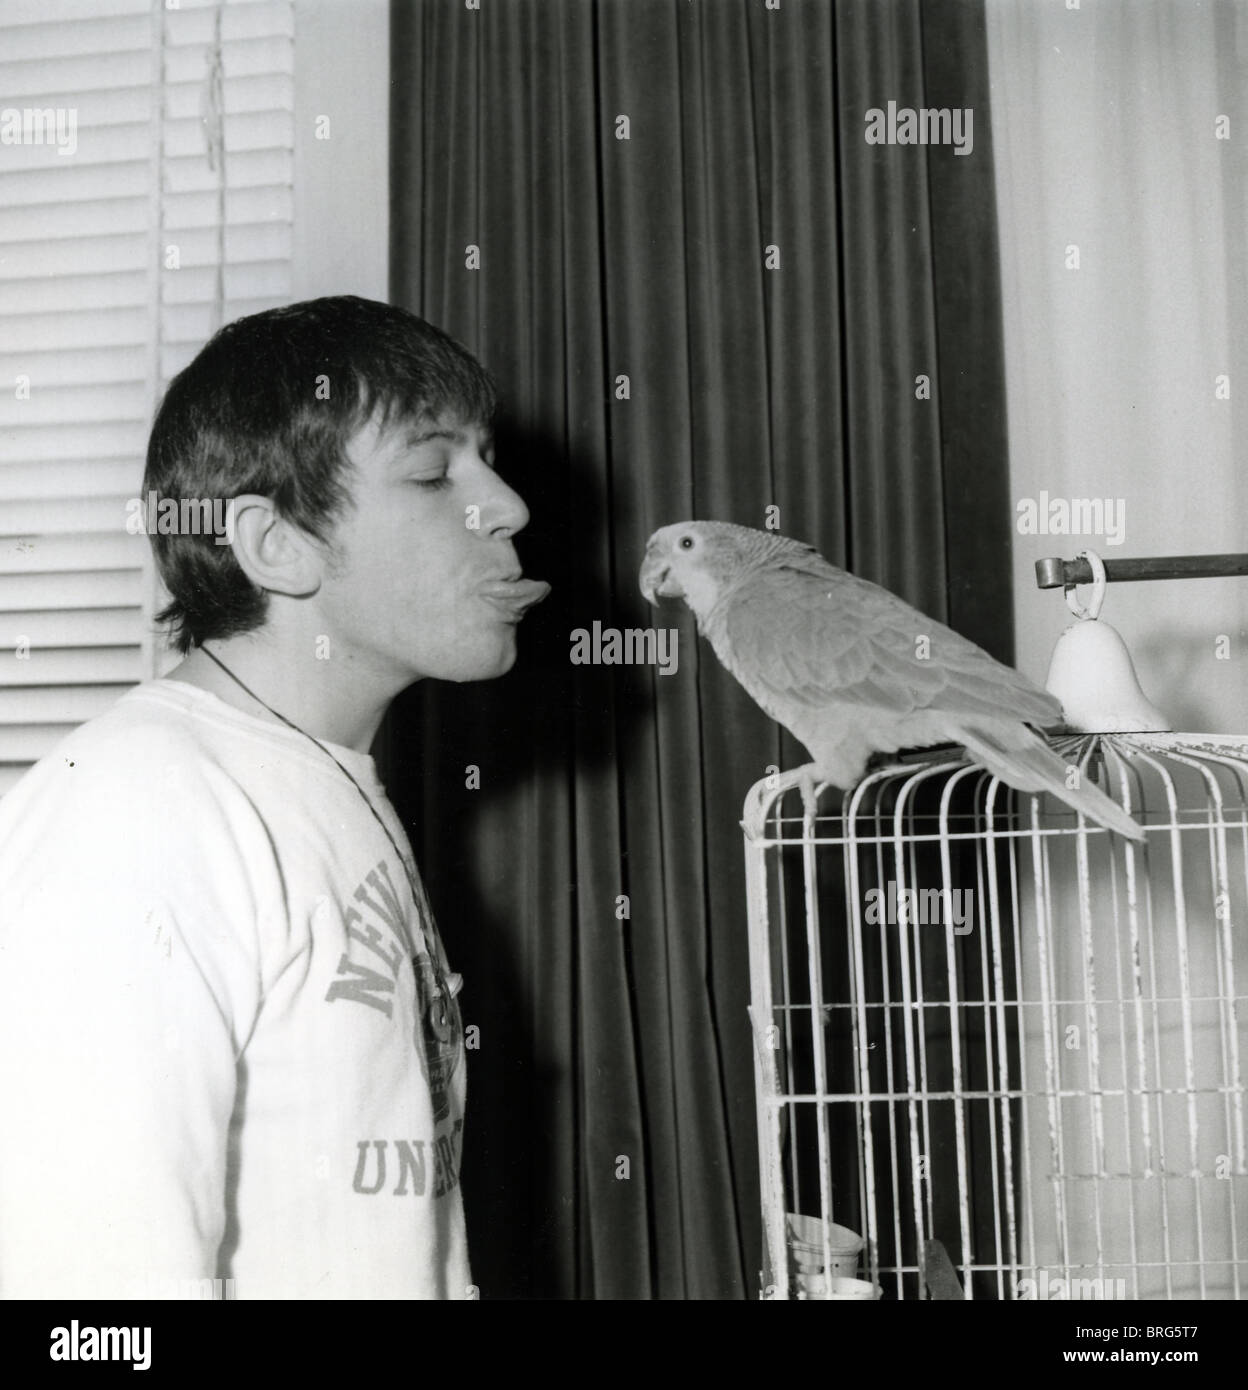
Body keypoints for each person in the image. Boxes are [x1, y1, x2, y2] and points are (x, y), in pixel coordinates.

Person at [0, 296, 549, 1300]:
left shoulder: (323, 781)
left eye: (486, 457)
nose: (505, 505)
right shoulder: (139, 812)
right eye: (434, 472)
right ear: (279, 543)